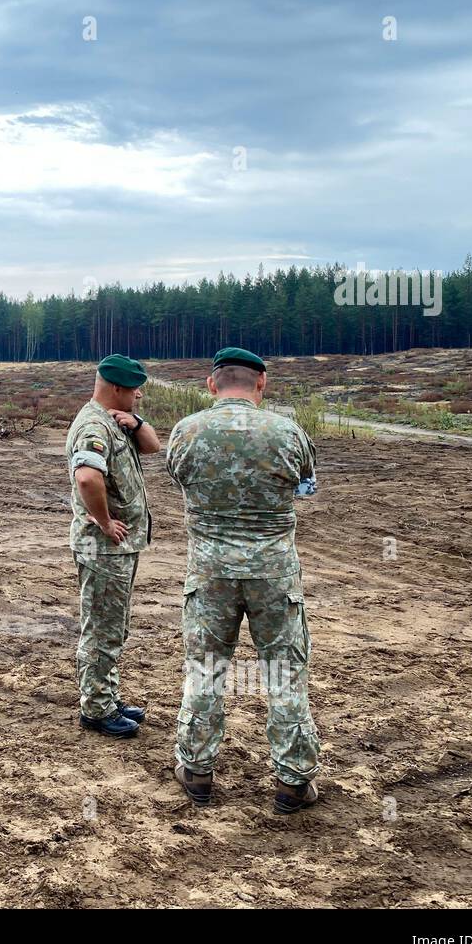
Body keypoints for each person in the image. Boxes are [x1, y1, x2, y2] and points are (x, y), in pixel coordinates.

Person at [164, 347, 321, 813]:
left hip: (210, 573)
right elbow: (305, 482)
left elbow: (181, 478)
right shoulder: (287, 432)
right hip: (274, 572)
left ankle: (196, 770)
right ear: (261, 384)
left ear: (212, 385)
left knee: (206, 669)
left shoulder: (186, 432)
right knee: (284, 672)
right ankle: (293, 780)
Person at [65, 354, 162, 738]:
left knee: (113, 625)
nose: (139, 395)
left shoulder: (115, 421)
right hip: (103, 547)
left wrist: (137, 423)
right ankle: (96, 709)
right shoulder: (93, 425)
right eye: (135, 389)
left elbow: (153, 447)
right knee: (102, 627)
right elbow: (87, 478)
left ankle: (106, 695)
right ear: (117, 388)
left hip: (118, 548)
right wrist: (104, 521)